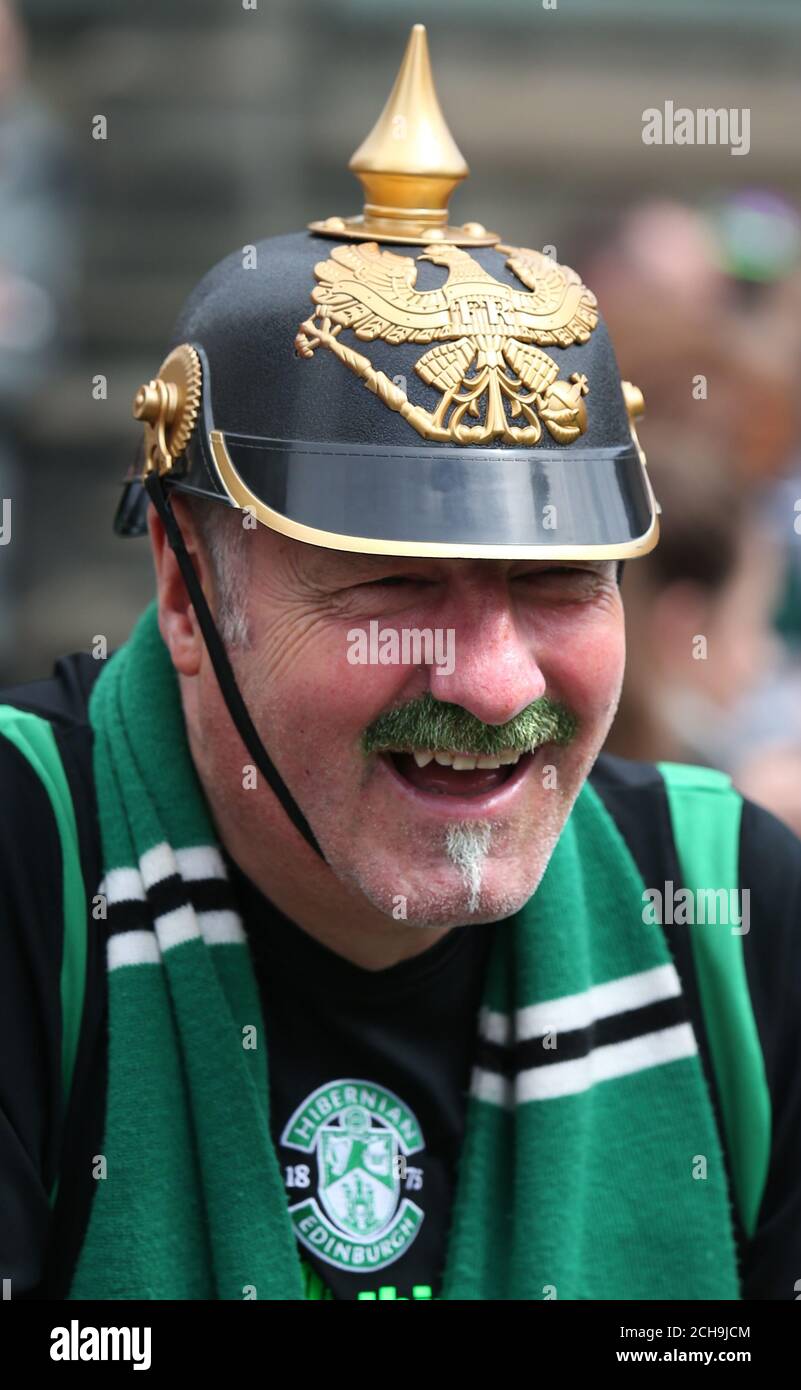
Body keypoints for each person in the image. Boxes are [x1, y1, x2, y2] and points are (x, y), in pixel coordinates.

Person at [2, 25, 799, 1302]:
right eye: (392, 583)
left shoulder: (731, 914)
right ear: (182, 584)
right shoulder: (29, 874)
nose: (491, 685)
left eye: (556, 584)